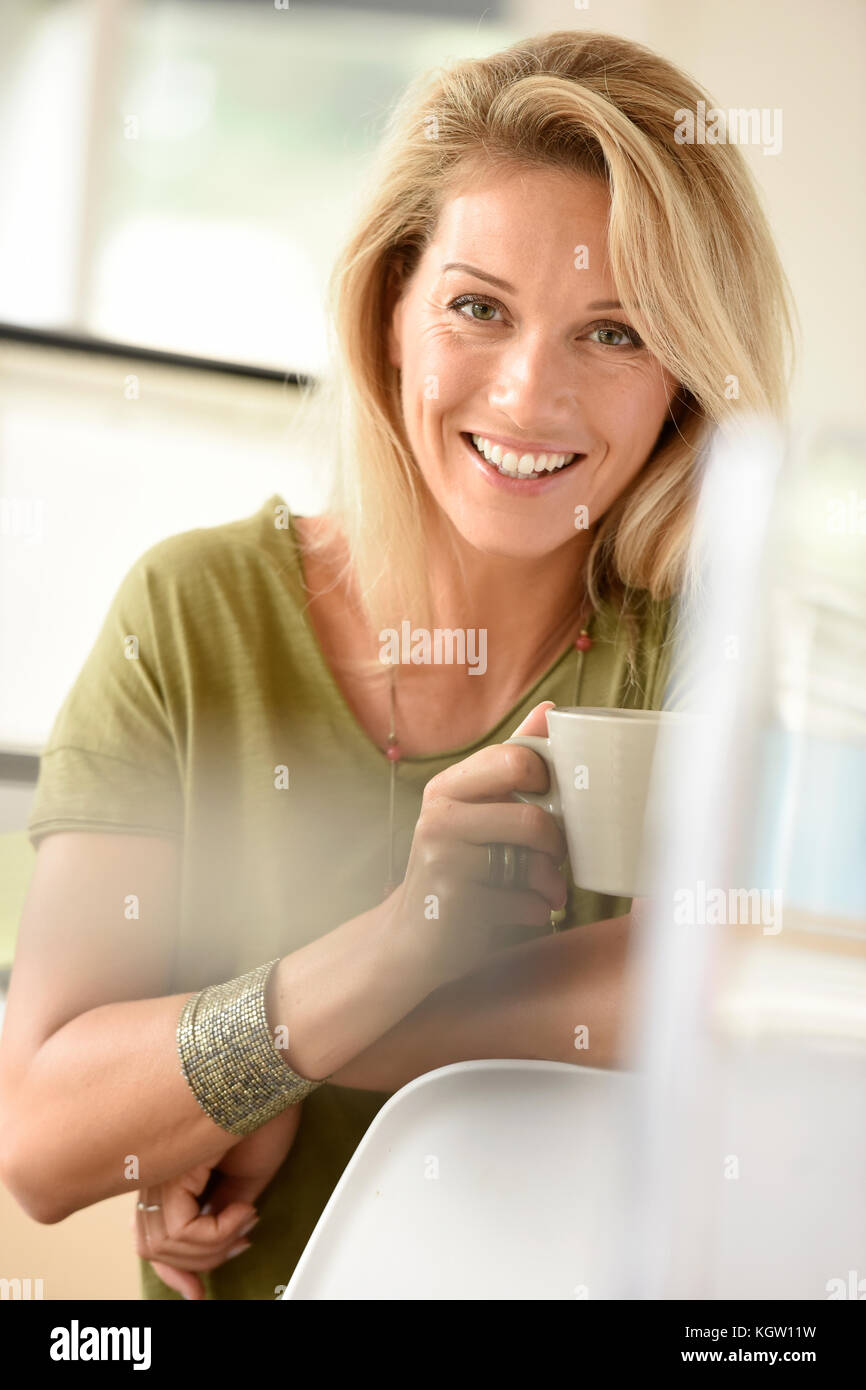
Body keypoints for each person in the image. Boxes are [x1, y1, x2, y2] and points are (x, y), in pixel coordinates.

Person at [0, 28, 795, 1300]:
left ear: (683, 384)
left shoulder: (707, 643)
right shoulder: (192, 614)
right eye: (478, 308)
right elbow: (43, 1137)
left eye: (614, 332)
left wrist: (306, 1047)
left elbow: (711, 980)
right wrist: (379, 954)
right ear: (389, 317)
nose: (530, 396)